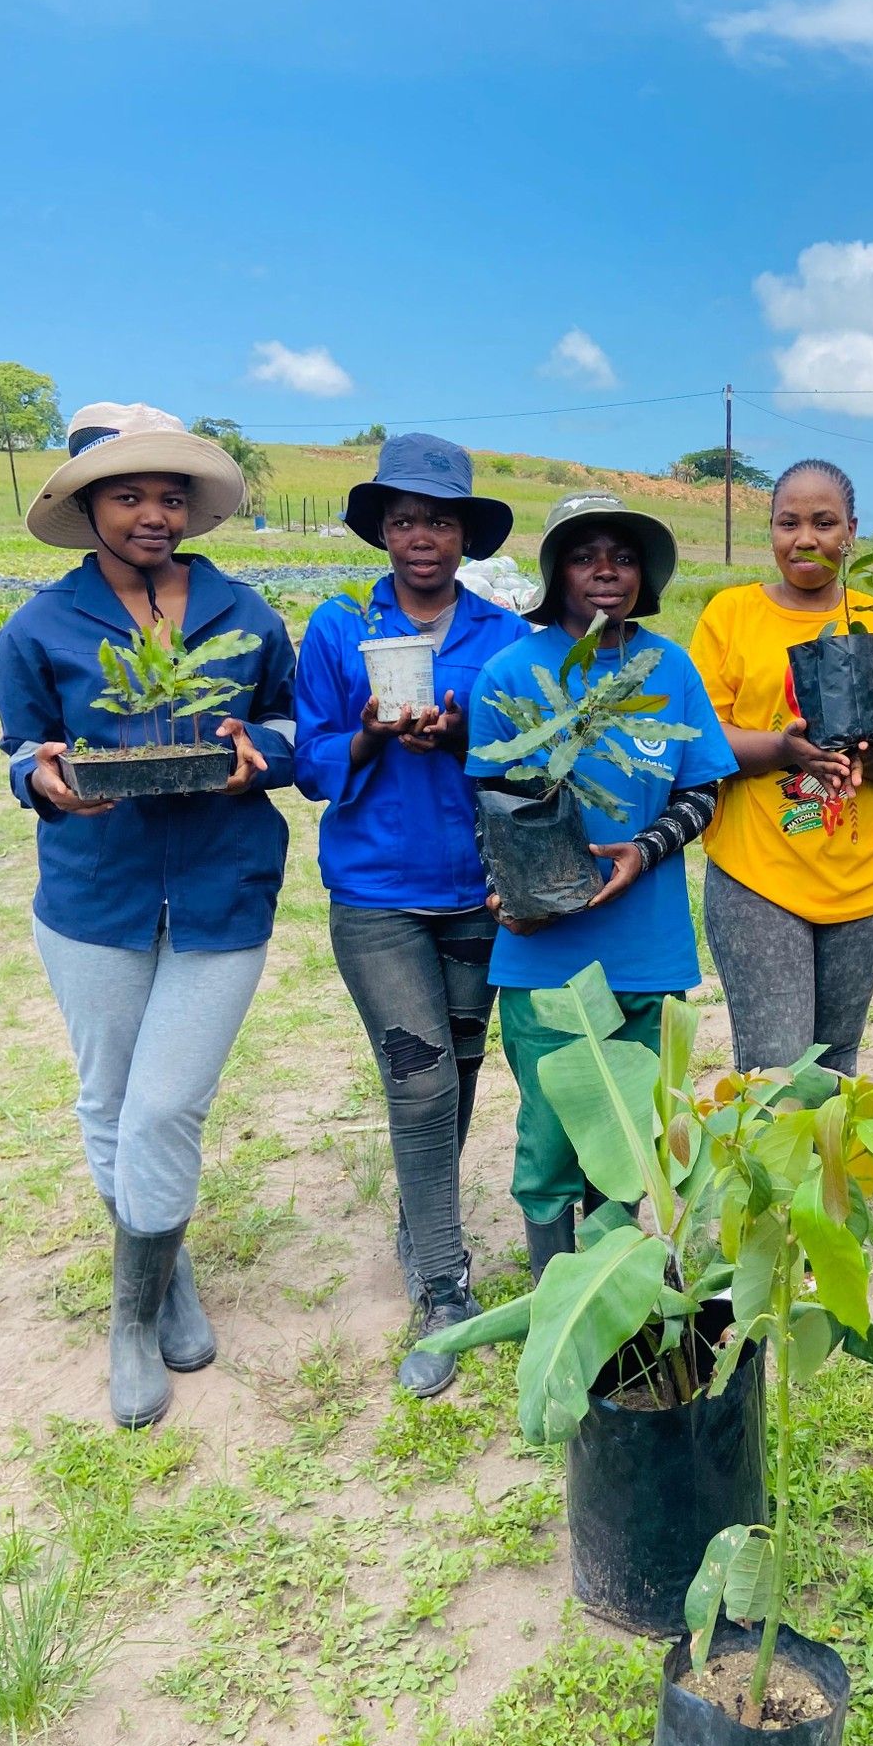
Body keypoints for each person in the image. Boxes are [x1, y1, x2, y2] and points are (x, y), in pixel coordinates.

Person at [0, 403, 296, 1428]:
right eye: (128, 494)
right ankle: (150, 1297)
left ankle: (144, 1277)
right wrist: (40, 776)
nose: (153, 512)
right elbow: (21, 747)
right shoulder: (39, 626)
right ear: (87, 507)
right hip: (93, 895)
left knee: (164, 1105)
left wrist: (264, 750)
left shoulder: (248, 614)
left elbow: (292, 723)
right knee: (108, 1097)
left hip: (224, 886)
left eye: (171, 495)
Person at [294, 435, 527, 1397]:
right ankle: (442, 1285)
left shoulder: (503, 638)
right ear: (381, 532)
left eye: (438, 519)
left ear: (465, 533)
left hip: (476, 891)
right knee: (422, 1082)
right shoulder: (338, 627)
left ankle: (419, 1220)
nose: (421, 536)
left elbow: (527, 758)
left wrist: (465, 726)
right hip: (377, 896)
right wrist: (367, 735)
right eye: (403, 520)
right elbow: (307, 765)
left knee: (462, 1070)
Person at [466, 492, 736, 1278]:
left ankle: (615, 1280)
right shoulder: (512, 672)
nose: (606, 572)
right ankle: (559, 1288)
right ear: (556, 574)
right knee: (551, 1135)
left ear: (643, 574)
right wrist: (513, 889)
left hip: (647, 950)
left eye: (622, 557)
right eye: (585, 557)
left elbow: (703, 790)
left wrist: (641, 852)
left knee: (630, 1141)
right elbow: (488, 802)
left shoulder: (670, 667)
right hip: (544, 956)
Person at [689, 459, 873, 1077]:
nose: (806, 538)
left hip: (866, 874)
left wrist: (870, 753)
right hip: (759, 870)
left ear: (851, 532)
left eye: (824, 522)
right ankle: (779, 1180)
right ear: (770, 530)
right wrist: (784, 750)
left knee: (835, 1060)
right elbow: (702, 739)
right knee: (776, 1071)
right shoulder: (731, 614)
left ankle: (830, 1178)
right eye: (788, 522)